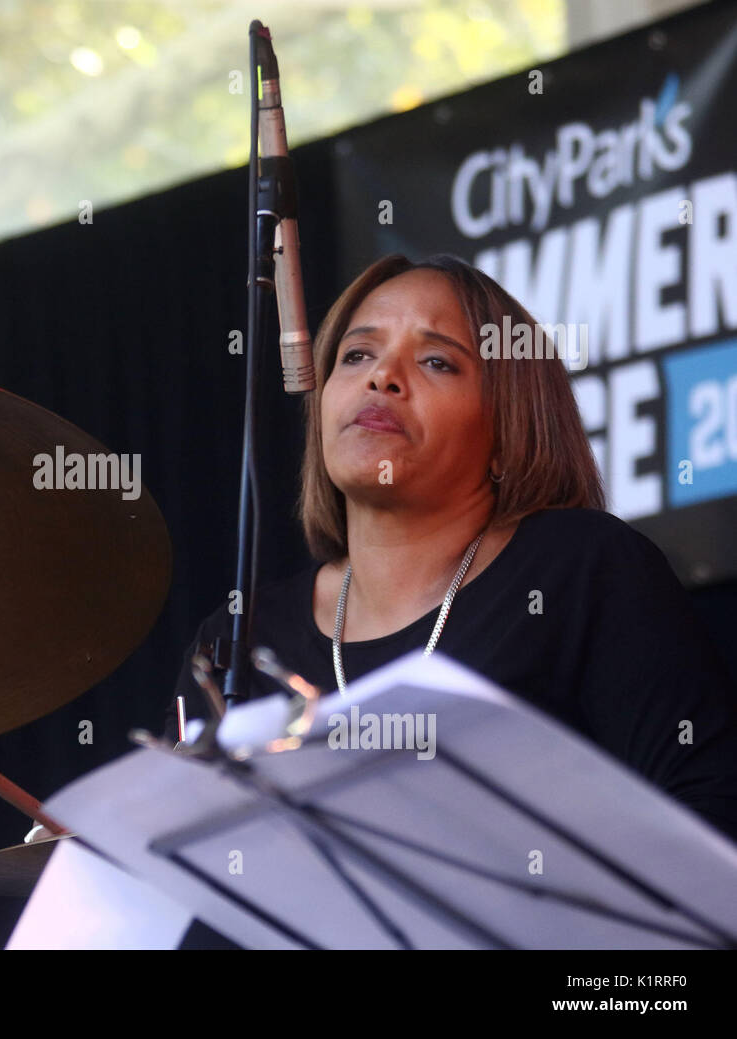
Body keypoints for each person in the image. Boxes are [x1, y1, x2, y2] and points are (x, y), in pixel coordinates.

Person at [168, 253, 737, 846]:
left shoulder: (582, 570)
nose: (381, 376)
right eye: (357, 354)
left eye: (437, 361)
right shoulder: (238, 641)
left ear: (506, 430)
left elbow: (709, 813)